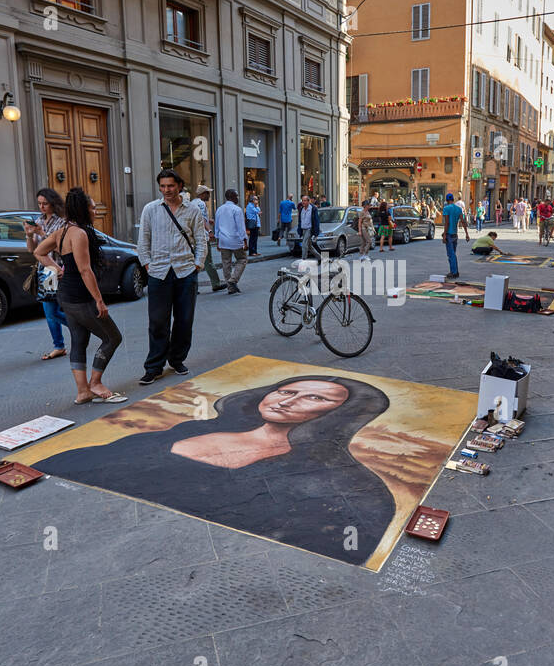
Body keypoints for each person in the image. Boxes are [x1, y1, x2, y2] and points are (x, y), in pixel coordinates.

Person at [38, 375, 396, 566]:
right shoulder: (191, 429)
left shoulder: (346, 480)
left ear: (340, 414)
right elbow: (94, 458)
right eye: (285, 390)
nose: (287, 400)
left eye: (314, 398)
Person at [33, 186, 125, 404]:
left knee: (79, 340)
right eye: (92, 208)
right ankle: (95, 383)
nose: (95, 211)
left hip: (66, 296)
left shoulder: (62, 231)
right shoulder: (79, 234)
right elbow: (85, 270)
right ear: (83, 209)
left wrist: (57, 268)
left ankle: (83, 392)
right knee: (112, 338)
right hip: (80, 297)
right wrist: (99, 300)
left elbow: (39, 252)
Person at [138, 170, 207, 384]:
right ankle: (154, 366)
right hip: (158, 272)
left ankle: (177, 359)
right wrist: (148, 265)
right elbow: (143, 240)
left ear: (179, 186)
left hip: (185, 271)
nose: (166, 190)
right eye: (163, 186)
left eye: (170, 186)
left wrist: (197, 264)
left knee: (184, 320)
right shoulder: (150, 209)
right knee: (158, 321)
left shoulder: (192, 210)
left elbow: (201, 240)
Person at [25, 187, 68, 359]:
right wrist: (29, 235)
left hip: (60, 269)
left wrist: (42, 233)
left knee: (53, 311)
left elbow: (61, 247)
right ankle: (59, 345)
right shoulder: (38, 221)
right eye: (39, 204)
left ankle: (79, 327)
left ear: (53, 203)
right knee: (49, 310)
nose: (42, 207)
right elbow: (31, 249)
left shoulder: (62, 222)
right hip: (46, 271)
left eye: (45, 204)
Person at [191, 186, 227, 294]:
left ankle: (193, 287)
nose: (209, 195)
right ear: (202, 194)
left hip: (194, 237)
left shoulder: (193, 202)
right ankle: (215, 284)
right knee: (208, 261)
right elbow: (201, 219)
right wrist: (209, 231)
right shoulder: (201, 204)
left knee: (195, 262)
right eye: (207, 193)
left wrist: (209, 220)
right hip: (202, 237)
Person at [214, 188, 248, 292]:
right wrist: (245, 240)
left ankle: (230, 287)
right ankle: (233, 280)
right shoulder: (237, 209)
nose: (238, 198)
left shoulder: (219, 209)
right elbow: (241, 227)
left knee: (226, 263)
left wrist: (218, 241)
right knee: (242, 259)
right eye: (236, 196)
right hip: (235, 239)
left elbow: (217, 226)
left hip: (223, 239)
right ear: (232, 197)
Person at [441, 190, 469, 278]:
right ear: (453, 200)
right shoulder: (459, 209)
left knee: (451, 254)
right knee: (453, 254)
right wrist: (466, 234)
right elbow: (463, 221)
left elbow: (447, 223)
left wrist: (444, 234)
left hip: (449, 234)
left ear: (446, 200)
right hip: (455, 235)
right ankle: (454, 271)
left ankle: (454, 272)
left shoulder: (446, 208)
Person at [297, 194, 321, 259]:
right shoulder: (301, 209)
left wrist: (316, 233)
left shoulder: (313, 209)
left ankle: (303, 260)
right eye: (302, 200)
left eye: (305, 201)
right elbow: (300, 220)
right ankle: (320, 258)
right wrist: (299, 230)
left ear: (308, 201)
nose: (303, 202)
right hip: (303, 229)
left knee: (304, 245)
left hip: (309, 229)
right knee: (309, 247)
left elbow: (316, 221)